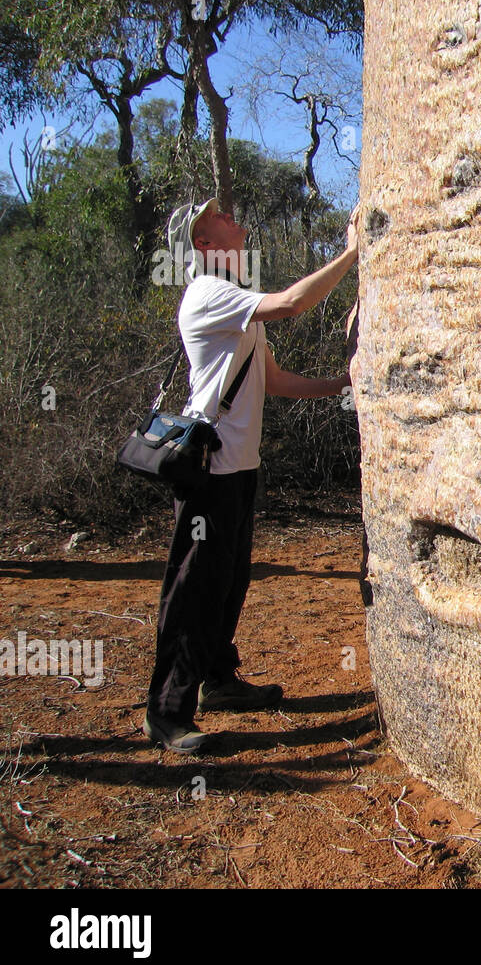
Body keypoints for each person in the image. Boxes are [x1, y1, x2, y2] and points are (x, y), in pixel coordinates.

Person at [143, 197, 359, 754]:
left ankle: (218, 679)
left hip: (239, 467)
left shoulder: (233, 298)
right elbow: (291, 304)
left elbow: (276, 380)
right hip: (210, 470)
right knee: (193, 588)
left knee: (230, 579)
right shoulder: (209, 292)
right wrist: (352, 253)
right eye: (218, 217)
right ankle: (167, 714)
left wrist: (344, 382)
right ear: (204, 244)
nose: (234, 218)